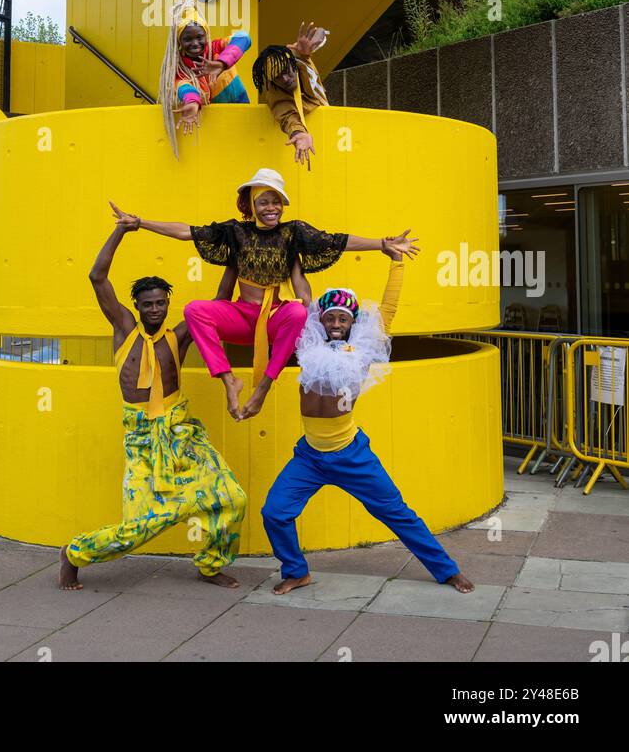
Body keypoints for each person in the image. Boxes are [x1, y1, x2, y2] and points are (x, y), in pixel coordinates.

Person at [109, 167, 419, 424]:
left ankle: (263, 389)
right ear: (252, 205)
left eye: (276, 202)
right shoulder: (235, 232)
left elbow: (335, 241)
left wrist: (382, 244)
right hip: (242, 316)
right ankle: (229, 380)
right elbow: (186, 231)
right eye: (263, 201)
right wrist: (140, 223)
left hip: (273, 316)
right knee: (193, 310)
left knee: (298, 313)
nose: (270, 207)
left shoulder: (293, 233)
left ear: (283, 205)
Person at [261, 250, 474, 596]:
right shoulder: (307, 344)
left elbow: (388, 309)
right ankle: (296, 571)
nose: (334, 324)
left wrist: (397, 263)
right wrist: (292, 260)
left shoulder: (362, 350)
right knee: (274, 512)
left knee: (397, 514)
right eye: (329, 318)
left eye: (342, 320)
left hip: (350, 454)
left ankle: (446, 570)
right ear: (321, 321)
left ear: (352, 324)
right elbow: (303, 296)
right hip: (310, 456)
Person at [59, 220, 246, 592]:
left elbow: (220, 303)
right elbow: (98, 277)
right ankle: (73, 554)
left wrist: (236, 259)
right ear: (137, 307)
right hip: (142, 439)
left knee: (231, 497)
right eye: (149, 304)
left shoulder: (178, 336)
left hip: (181, 432)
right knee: (138, 528)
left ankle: (210, 564)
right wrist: (122, 231)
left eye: (161, 303)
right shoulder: (125, 330)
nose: (156, 309)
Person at [159, 0, 251, 157]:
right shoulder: (179, 70)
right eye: (187, 39)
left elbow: (244, 37)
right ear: (179, 42)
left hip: (241, 120)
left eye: (199, 37)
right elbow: (185, 88)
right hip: (213, 130)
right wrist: (193, 103)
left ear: (206, 35)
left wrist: (223, 62)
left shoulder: (217, 48)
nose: (195, 43)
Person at [252, 21, 330, 169]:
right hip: (315, 132)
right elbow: (286, 115)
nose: (285, 79)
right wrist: (298, 133)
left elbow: (321, 31)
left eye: (286, 72)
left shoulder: (294, 53)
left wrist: (311, 44)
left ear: (292, 63)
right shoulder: (274, 92)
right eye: (278, 77)